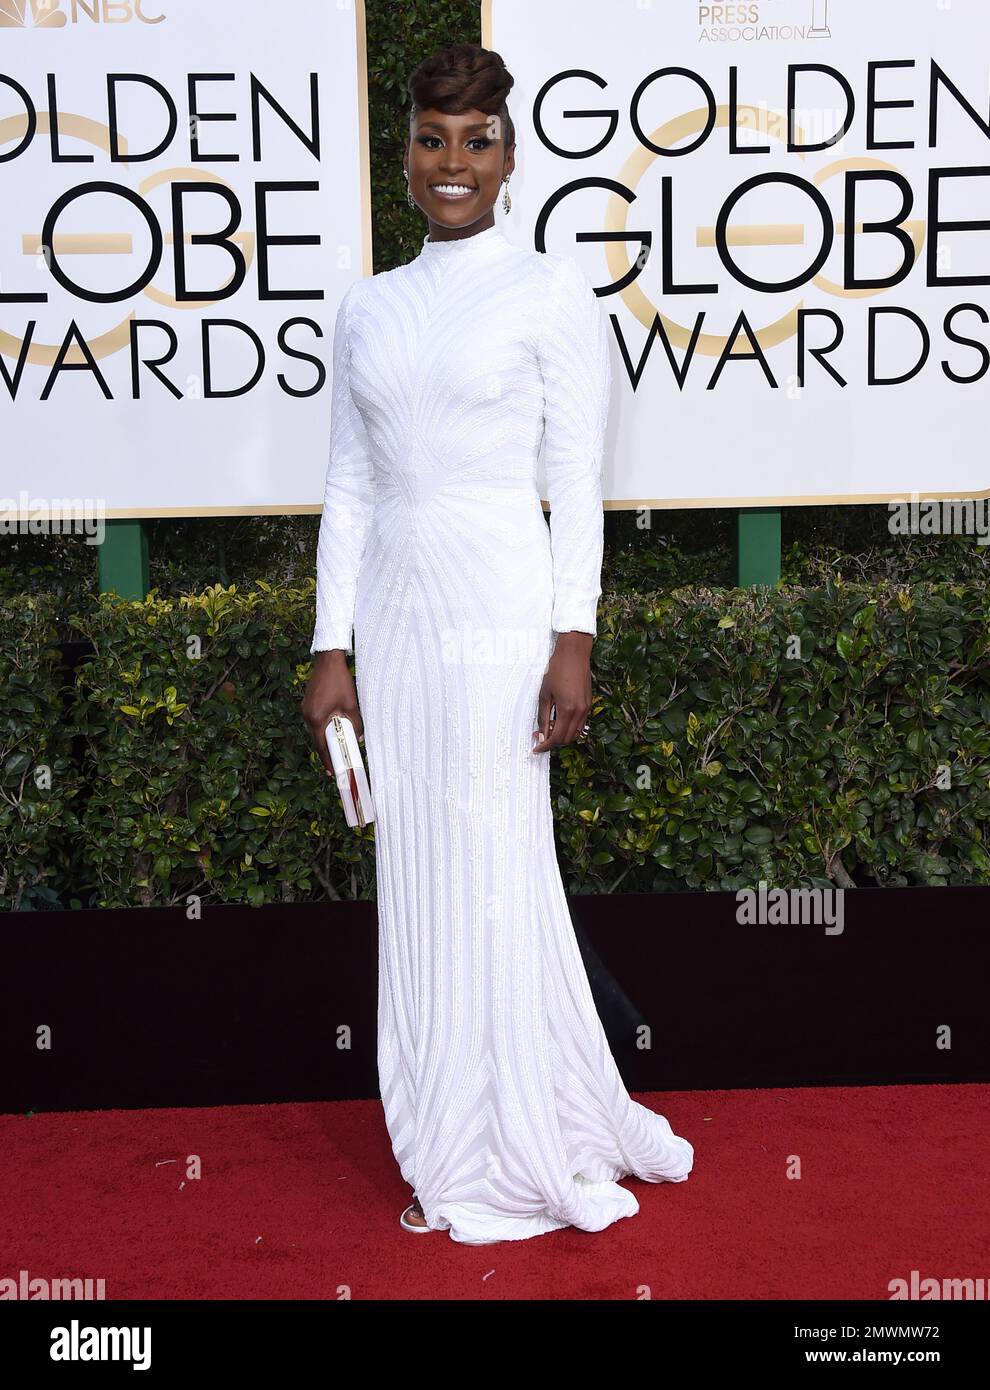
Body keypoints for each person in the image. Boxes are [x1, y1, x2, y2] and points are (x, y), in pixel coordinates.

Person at [302, 41, 693, 1244]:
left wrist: (572, 639)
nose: (452, 162)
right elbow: (351, 487)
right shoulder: (369, 304)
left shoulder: (553, 298)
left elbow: (577, 488)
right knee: (418, 864)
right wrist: (331, 649)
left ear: (510, 156)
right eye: (432, 138)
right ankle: (441, 1118)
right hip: (399, 620)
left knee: (491, 859)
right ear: (404, 156)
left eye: (477, 140)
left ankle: (519, 1124)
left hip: (501, 607)